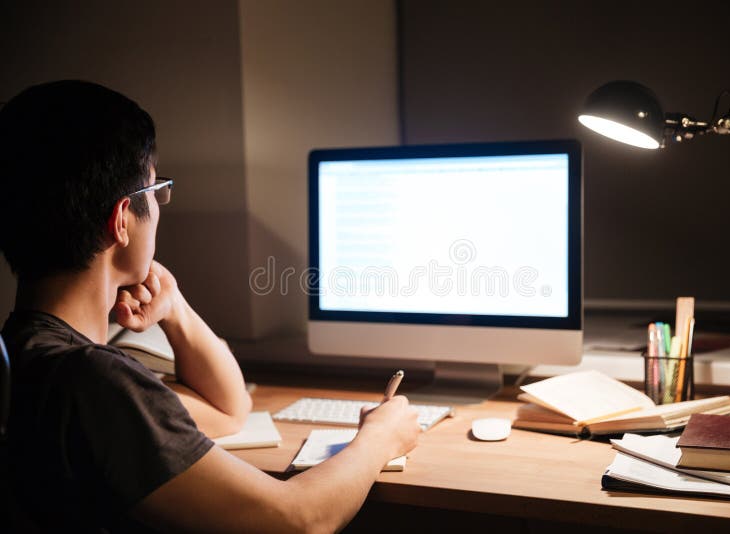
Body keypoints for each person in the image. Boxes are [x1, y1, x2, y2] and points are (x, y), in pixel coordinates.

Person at [0, 80, 420, 533]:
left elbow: (228, 411)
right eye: (155, 190)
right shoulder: (94, 383)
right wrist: (380, 438)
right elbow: (298, 521)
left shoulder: (29, 357)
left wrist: (173, 304)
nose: (160, 207)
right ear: (121, 219)